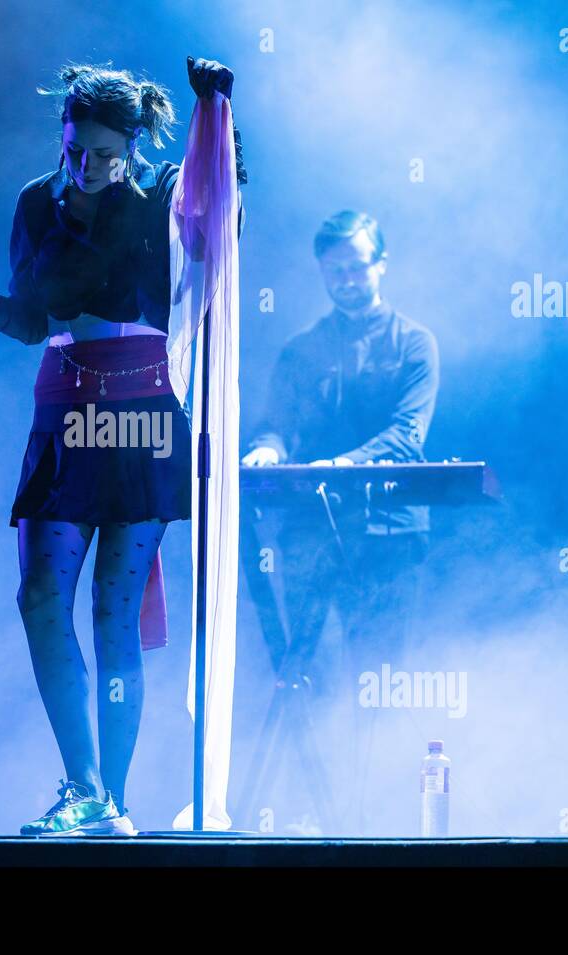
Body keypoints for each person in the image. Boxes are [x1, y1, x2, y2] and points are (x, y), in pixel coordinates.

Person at [0, 58, 245, 836]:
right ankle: (85, 787)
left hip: (139, 416)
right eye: (76, 149)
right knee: (39, 598)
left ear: (133, 146)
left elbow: (228, 210)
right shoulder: (38, 202)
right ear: (62, 138)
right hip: (62, 407)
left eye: (105, 153)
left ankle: (112, 803)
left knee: (112, 614)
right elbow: (33, 319)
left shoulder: (168, 200)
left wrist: (218, 112)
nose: (89, 165)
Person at [241, 211, 438, 829]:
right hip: (309, 533)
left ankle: (374, 818)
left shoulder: (414, 343)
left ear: (382, 263)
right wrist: (269, 449)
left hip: (388, 535)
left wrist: (337, 464)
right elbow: (273, 421)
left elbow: (408, 437)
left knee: (377, 680)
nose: (347, 280)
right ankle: (310, 815)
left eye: (357, 267)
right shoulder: (302, 350)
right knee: (307, 674)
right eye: (335, 270)